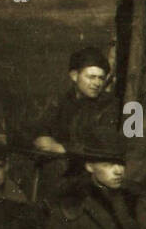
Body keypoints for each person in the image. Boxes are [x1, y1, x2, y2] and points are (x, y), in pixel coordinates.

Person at [29, 47, 117, 202]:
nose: (97, 83)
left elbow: (102, 145)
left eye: (101, 78)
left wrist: (64, 148)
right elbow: (41, 127)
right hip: (62, 175)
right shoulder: (62, 101)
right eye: (91, 77)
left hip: (94, 178)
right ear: (75, 76)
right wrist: (41, 137)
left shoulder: (109, 105)